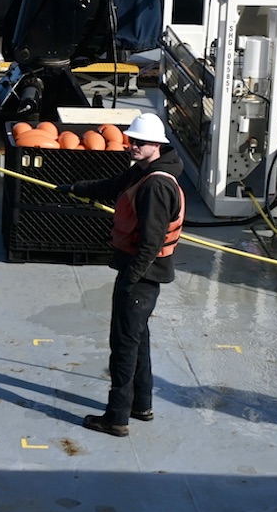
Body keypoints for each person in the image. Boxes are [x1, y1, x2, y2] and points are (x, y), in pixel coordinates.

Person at [54, 111, 185, 437]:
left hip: (140, 277)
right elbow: (112, 186)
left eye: (140, 142)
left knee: (124, 346)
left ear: (156, 145)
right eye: (131, 140)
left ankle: (116, 418)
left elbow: (151, 242)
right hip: (143, 275)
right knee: (138, 340)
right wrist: (74, 188)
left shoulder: (156, 186)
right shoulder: (144, 171)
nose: (132, 145)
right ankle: (141, 405)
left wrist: (129, 280)